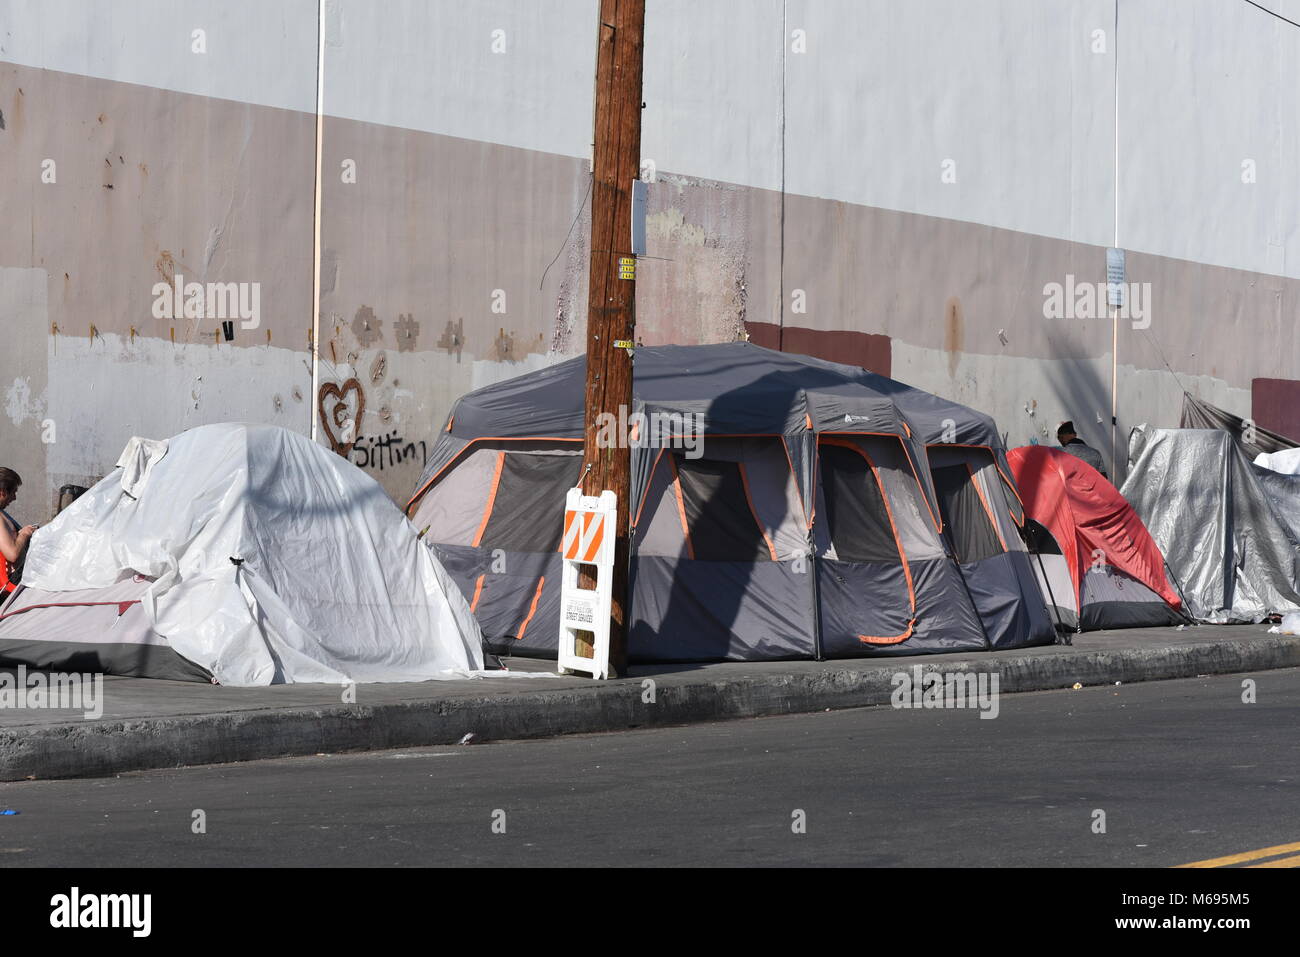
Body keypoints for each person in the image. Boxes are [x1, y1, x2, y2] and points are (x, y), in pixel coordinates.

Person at [0, 468, 38, 594]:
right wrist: (24, 534)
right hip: (7, 589)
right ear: (3, 492)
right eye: (13, 492)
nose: (15, 498)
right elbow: (12, 553)